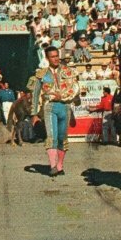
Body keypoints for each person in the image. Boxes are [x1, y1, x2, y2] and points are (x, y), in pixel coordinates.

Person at [31, 46, 80, 177]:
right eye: (52, 56)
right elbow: (35, 95)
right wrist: (34, 114)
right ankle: (52, 166)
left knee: (62, 137)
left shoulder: (68, 71)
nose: (56, 58)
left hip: (65, 107)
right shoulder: (41, 74)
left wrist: (71, 100)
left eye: (57, 55)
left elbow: (75, 88)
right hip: (50, 107)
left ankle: (60, 166)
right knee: (52, 136)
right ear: (47, 58)